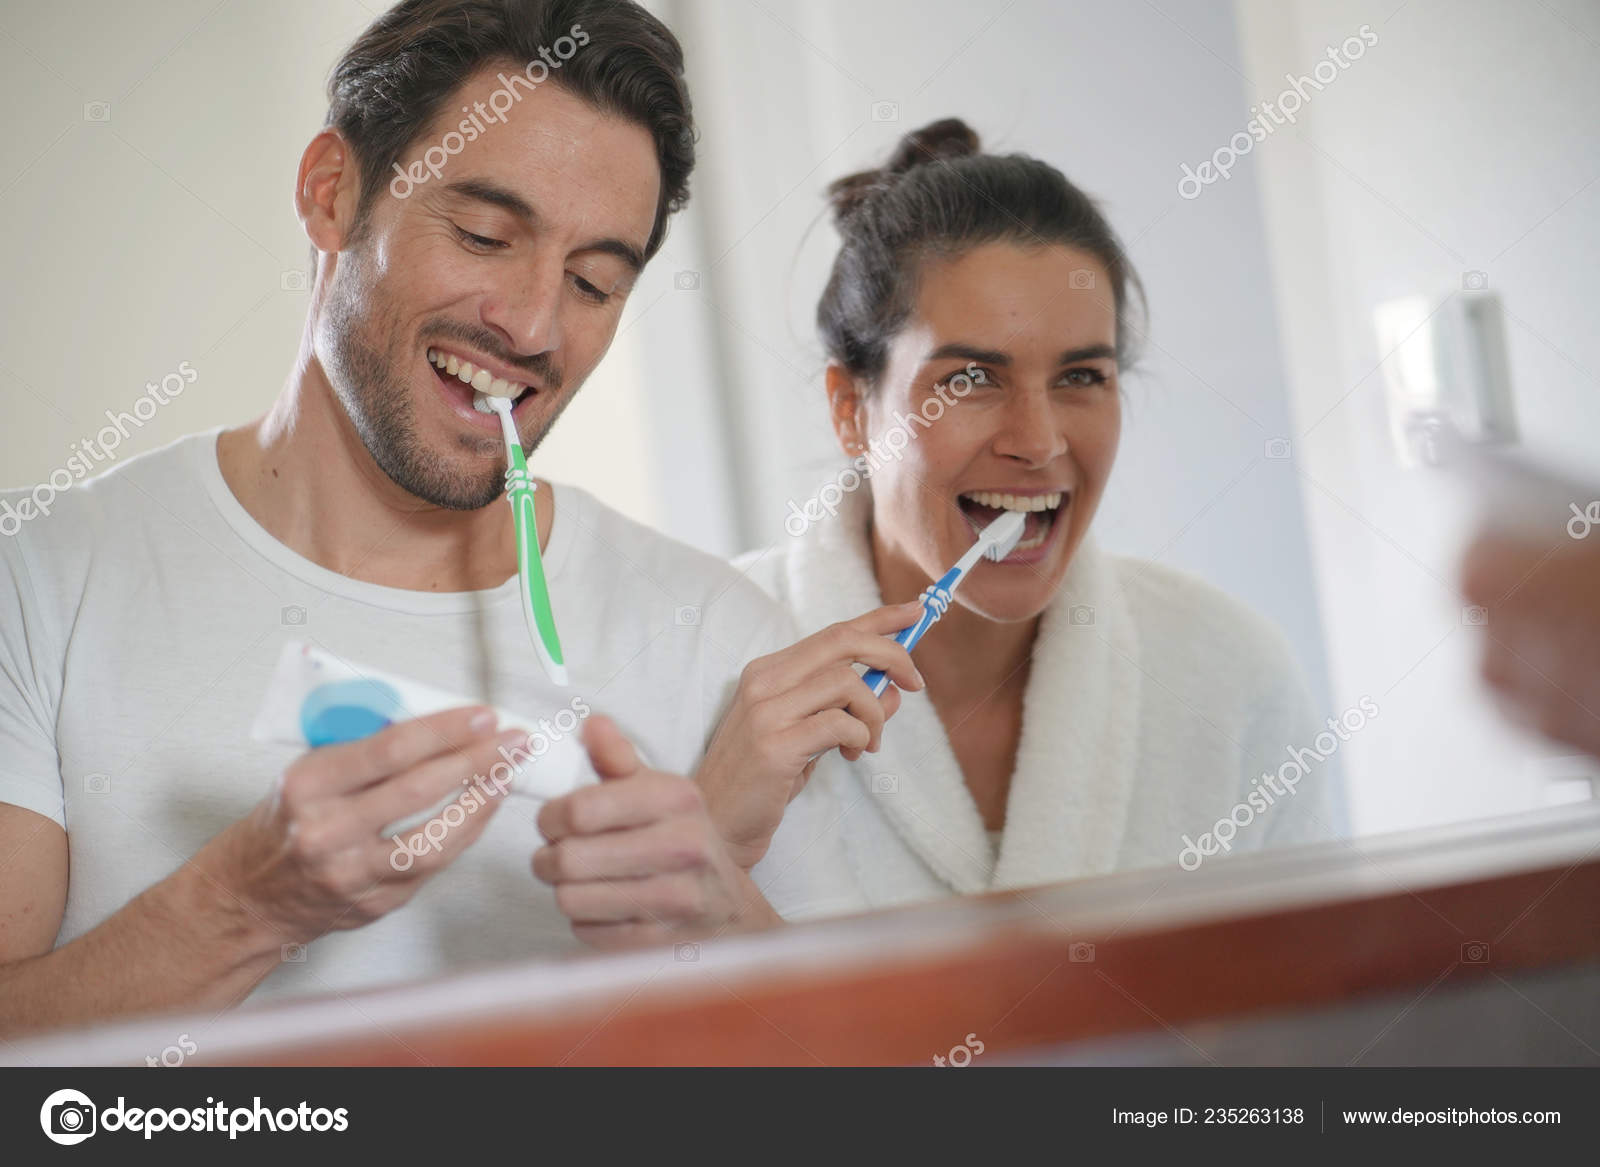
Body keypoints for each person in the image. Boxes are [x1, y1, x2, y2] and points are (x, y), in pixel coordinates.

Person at [0, 0, 917, 1037]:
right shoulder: (38, 581)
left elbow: (875, 1082)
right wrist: (241, 908)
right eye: (484, 235)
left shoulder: (719, 641)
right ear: (332, 192)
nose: (530, 325)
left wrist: (727, 934)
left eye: (592, 282)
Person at [715, 120, 1347, 909]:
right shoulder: (712, 669)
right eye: (972, 378)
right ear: (851, 409)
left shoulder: (1229, 674)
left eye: (1082, 375)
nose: (1039, 442)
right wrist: (712, 843)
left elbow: (1306, 1010)